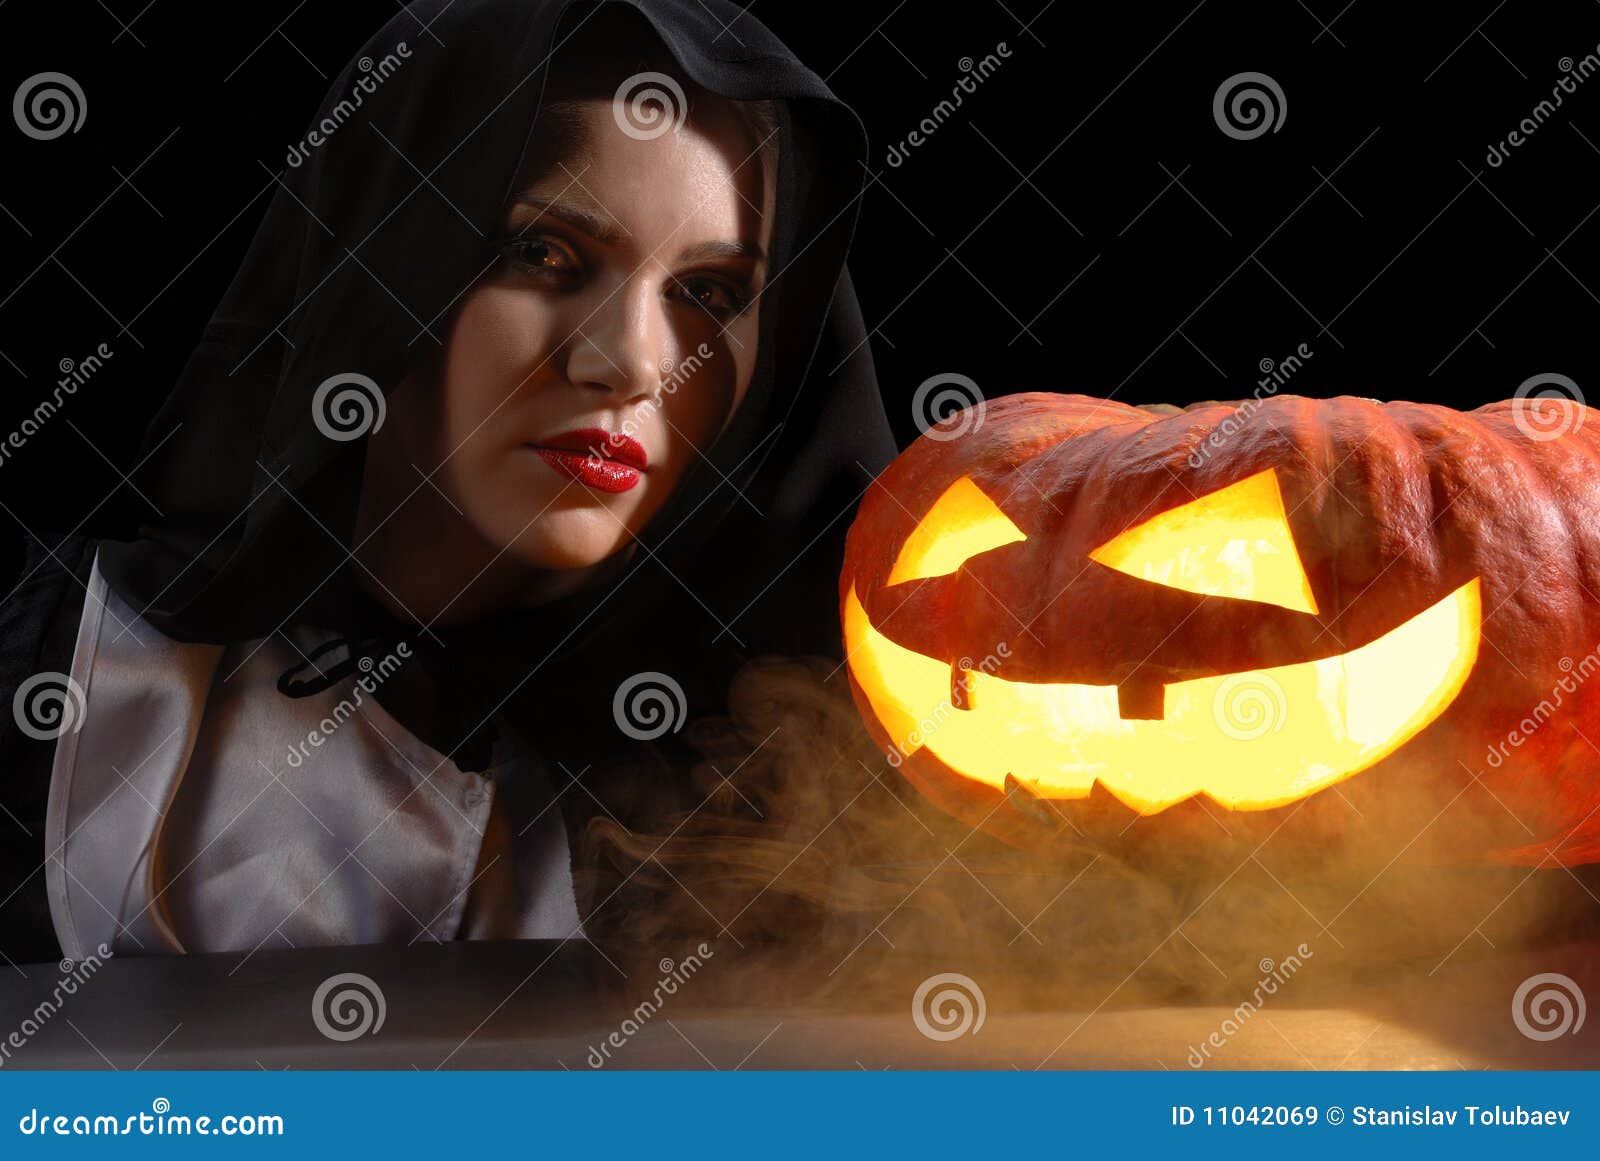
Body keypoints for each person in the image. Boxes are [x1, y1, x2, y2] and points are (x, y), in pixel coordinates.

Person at [0, 0, 896, 965]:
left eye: (708, 294)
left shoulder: (766, 802)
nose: (633, 361)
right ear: (381, 261)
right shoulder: (55, 671)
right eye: (545, 253)